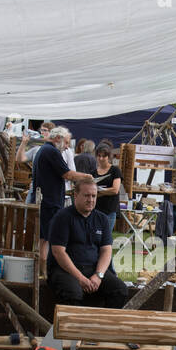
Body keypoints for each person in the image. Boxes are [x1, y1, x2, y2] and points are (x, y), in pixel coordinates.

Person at [47, 178, 128, 308]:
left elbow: (106, 250)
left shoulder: (102, 219)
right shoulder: (62, 217)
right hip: (65, 270)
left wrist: (99, 275)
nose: (90, 200)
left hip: (93, 269)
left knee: (120, 290)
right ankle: (73, 328)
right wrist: (80, 278)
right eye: (86, 195)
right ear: (76, 195)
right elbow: (58, 252)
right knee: (73, 294)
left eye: (93, 196)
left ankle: (102, 326)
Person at [33, 127, 91, 274]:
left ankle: (42, 272)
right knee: (50, 239)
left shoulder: (44, 150)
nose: (66, 147)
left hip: (46, 200)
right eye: (66, 143)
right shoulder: (51, 151)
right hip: (49, 202)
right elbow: (68, 174)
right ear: (57, 138)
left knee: (44, 239)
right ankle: (45, 272)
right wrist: (87, 177)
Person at [92, 142, 123, 231]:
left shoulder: (115, 170)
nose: (101, 158)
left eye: (104, 156)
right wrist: (104, 192)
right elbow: (91, 192)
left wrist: (99, 192)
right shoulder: (93, 172)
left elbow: (115, 190)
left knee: (106, 236)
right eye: (99, 156)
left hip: (109, 209)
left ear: (109, 157)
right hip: (96, 209)